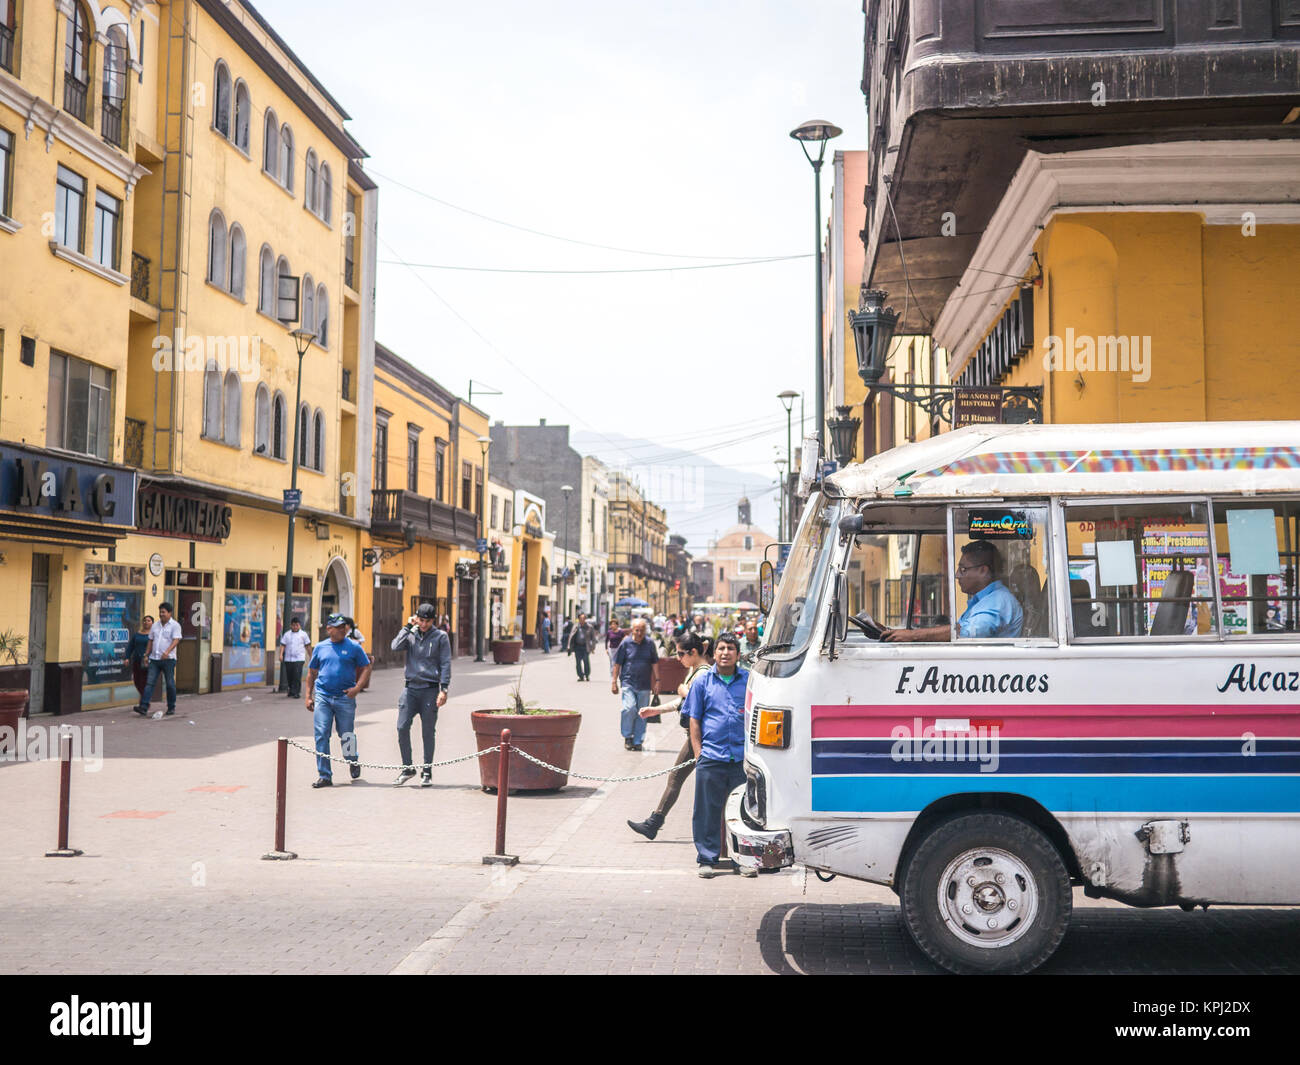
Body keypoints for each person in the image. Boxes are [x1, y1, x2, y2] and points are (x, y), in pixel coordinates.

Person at [627, 633, 713, 840]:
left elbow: (698, 700)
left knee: (677, 778)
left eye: (681, 653)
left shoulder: (703, 674)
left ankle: (654, 824)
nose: (677, 658)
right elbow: (682, 703)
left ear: (693, 652)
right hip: (694, 735)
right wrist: (656, 710)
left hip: (700, 737)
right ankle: (655, 822)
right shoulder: (694, 672)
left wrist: (685, 692)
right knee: (679, 779)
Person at [684, 633, 749, 877]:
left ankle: (741, 860)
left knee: (742, 813)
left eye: (730, 648)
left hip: (741, 759)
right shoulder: (703, 682)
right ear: (715, 653)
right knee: (706, 811)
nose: (725, 653)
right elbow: (694, 719)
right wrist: (698, 752)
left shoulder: (749, 680)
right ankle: (707, 859)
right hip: (711, 756)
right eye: (721, 648)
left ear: (738, 654)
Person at [880, 540, 1023, 642]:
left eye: (963, 569)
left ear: (983, 570)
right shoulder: (982, 600)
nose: (957, 575)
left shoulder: (999, 600)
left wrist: (912, 635)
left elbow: (966, 632)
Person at [305, 614, 372, 788]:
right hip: (323, 696)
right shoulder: (320, 647)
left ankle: (352, 759)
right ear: (329, 629)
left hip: (345, 698)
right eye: (339, 627)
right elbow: (312, 673)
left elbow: (366, 667)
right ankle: (325, 775)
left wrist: (357, 688)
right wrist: (308, 696)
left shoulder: (354, 647)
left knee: (346, 734)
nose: (343, 630)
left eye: (344, 627)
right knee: (321, 735)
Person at [390, 602, 451, 787]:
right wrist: (408, 626)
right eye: (421, 620)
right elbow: (395, 646)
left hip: (430, 690)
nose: (423, 624)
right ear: (416, 618)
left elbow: (445, 663)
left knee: (427, 732)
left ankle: (427, 770)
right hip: (410, 689)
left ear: (433, 620)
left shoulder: (441, 637)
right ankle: (408, 768)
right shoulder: (411, 634)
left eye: (427, 621)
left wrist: (444, 689)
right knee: (402, 727)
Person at [610, 617, 658, 751]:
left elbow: (654, 663)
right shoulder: (625, 643)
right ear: (632, 630)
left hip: (645, 684)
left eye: (642, 630)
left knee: (642, 713)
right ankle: (627, 736)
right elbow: (617, 663)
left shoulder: (649, 643)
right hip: (628, 682)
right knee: (629, 708)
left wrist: (658, 681)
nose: (639, 633)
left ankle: (638, 741)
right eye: (637, 630)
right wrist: (614, 682)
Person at [132, 603, 183, 717]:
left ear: (169, 613)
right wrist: (146, 654)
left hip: (168, 659)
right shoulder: (155, 625)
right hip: (154, 659)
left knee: (169, 683)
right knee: (149, 683)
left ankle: (171, 707)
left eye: (164, 612)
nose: (161, 614)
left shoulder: (175, 625)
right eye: (160, 612)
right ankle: (144, 707)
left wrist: (167, 652)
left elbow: (176, 640)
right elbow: (150, 640)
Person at [279, 616, 312, 699]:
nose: (295, 627)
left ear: (299, 625)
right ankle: (291, 690)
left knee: (297, 676)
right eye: (293, 625)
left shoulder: (303, 634)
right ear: (291, 625)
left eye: (297, 625)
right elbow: (283, 645)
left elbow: (308, 646)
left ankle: (297, 692)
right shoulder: (287, 634)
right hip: (288, 659)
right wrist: (280, 654)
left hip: (299, 659)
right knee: (289, 676)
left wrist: (311, 656)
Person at [566, 611, 597, 681]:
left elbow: (593, 638)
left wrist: (593, 648)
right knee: (578, 662)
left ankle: (587, 675)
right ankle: (580, 676)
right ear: (579, 619)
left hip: (586, 647)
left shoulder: (590, 627)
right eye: (581, 618)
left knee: (586, 661)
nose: (582, 620)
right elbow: (571, 636)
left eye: (583, 618)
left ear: (585, 619)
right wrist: (569, 646)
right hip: (577, 647)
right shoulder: (576, 626)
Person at [129, 616, 153, 707]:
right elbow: (131, 646)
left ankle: (144, 703)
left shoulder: (153, 635)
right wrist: (127, 657)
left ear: (152, 623)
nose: (146, 622)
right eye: (144, 621)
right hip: (136, 661)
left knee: (144, 681)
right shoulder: (137, 634)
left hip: (147, 662)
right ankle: (145, 699)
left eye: (148, 621)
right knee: (136, 681)